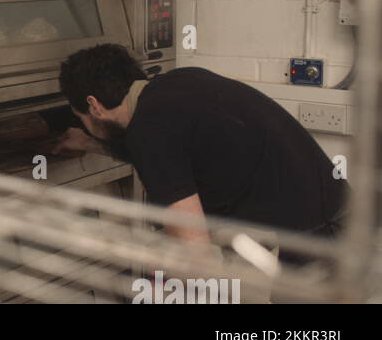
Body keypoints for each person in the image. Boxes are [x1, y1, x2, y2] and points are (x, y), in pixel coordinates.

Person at [52, 43, 347, 262]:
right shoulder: (180, 82)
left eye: (81, 117)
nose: (84, 124)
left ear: (94, 106)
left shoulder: (150, 132)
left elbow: (194, 247)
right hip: (342, 215)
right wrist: (89, 144)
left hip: (314, 241)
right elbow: (174, 154)